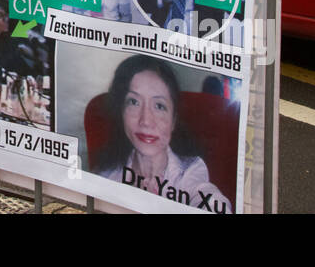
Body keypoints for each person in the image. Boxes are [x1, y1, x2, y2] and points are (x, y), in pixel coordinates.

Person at [91, 56, 229, 212]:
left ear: (174, 120)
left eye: (159, 106)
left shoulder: (190, 172)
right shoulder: (106, 174)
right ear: (121, 111)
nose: (146, 121)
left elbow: (210, 200)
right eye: (134, 102)